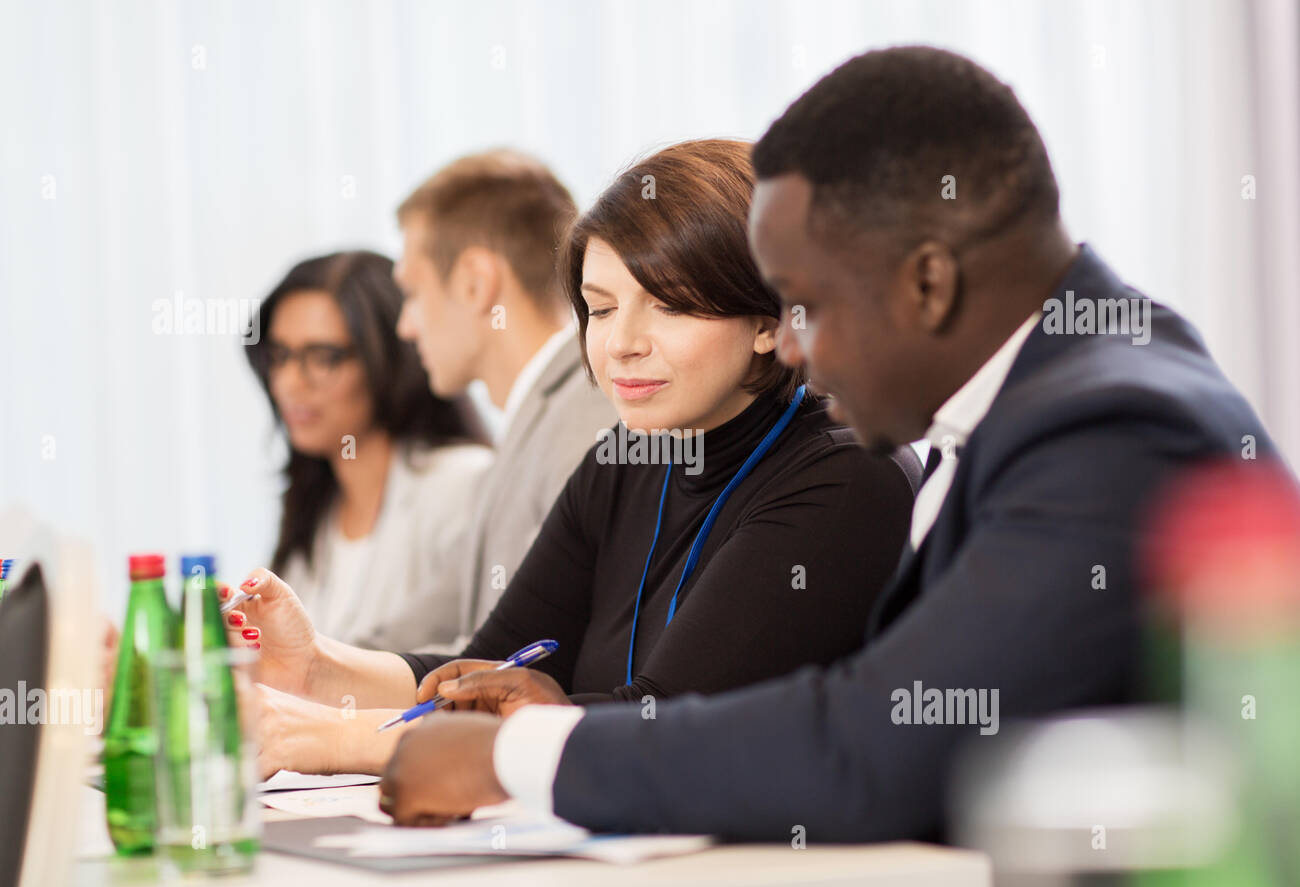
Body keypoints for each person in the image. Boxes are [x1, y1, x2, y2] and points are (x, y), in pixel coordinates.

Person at [375, 46, 1290, 841]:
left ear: (926, 283)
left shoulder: (1107, 431)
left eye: (803, 304)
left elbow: (876, 742)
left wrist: (519, 752)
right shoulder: (1078, 381)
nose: (794, 347)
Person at [230, 139, 921, 778]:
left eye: (666, 307)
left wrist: (329, 739)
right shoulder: (625, 458)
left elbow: (658, 727)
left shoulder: (845, 476)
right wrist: (317, 668)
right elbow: (491, 666)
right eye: (601, 307)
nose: (620, 343)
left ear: (771, 321)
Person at [392, 150, 616, 642]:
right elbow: (437, 615)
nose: (405, 325)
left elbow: (535, 647)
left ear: (475, 283)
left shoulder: (589, 415)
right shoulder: (534, 417)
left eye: (412, 291)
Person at [244, 250, 492, 651]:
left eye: (323, 358)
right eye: (279, 356)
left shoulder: (463, 484)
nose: (289, 382)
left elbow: (478, 660)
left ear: (390, 360)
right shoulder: (315, 505)